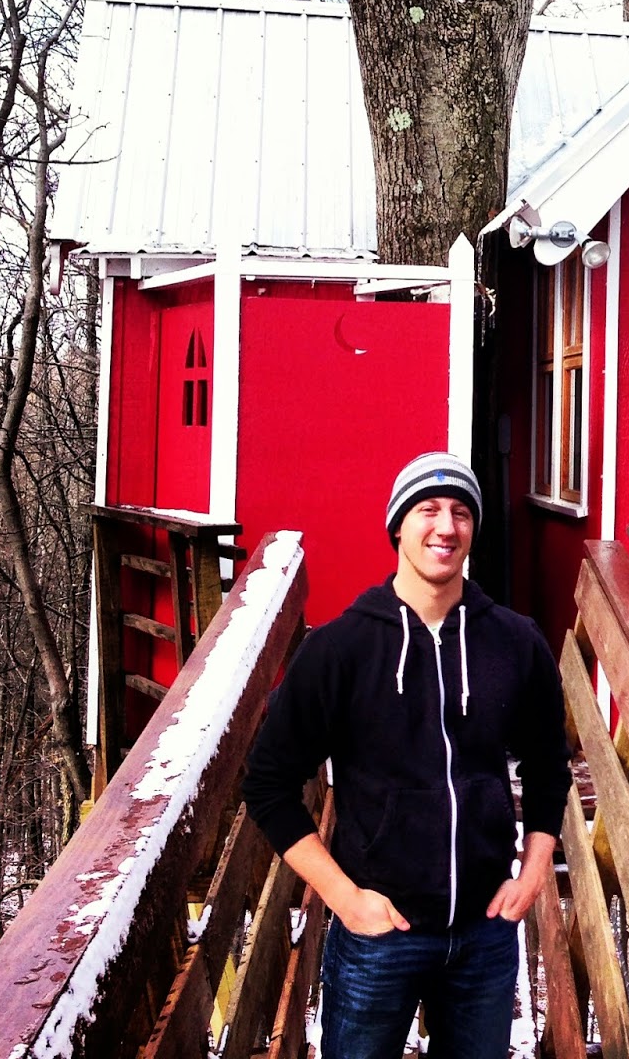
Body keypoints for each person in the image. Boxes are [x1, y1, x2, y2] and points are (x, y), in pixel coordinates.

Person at [242, 451, 572, 1059]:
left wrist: (532, 874)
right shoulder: (341, 649)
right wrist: (345, 899)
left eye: (461, 513)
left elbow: (549, 765)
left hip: (484, 932)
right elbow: (268, 782)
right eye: (428, 510)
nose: (446, 527)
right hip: (379, 932)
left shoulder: (515, 642)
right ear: (398, 526)